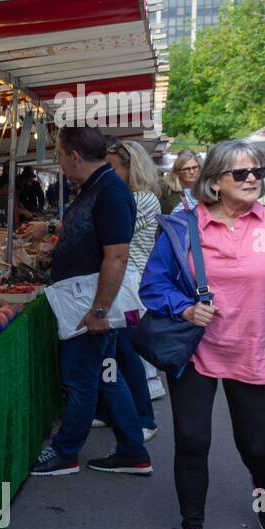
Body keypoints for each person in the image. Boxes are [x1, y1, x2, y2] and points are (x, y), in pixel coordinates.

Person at [140, 140, 265, 529]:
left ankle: (264, 489)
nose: (253, 177)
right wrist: (184, 306)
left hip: (260, 351)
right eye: (241, 173)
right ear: (215, 182)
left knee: (255, 444)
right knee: (193, 441)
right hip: (196, 351)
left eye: (259, 169)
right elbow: (153, 285)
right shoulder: (182, 229)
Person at [29, 124, 147, 476]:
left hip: (89, 308)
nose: (59, 162)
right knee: (107, 378)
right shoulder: (97, 187)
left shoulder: (110, 192)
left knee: (80, 380)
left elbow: (117, 257)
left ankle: (66, 453)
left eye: (60, 155)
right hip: (87, 303)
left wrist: (99, 311)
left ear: (75, 156)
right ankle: (133, 452)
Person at [102, 138, 165, 418]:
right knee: (114, 349)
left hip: (130, 284)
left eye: (112, 168)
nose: (107, 173)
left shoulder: (141, 199)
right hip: (125, 282)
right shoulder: (132, 196)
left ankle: (142, 413)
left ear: (131, 168)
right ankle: (114, 409)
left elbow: (111, 233)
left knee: (125, 348)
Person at [161, 149, 201, 214]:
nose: (192, 172)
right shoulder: (168, 191)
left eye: (195, 167)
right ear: (177, 172)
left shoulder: (207, 189)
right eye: (187, 169)